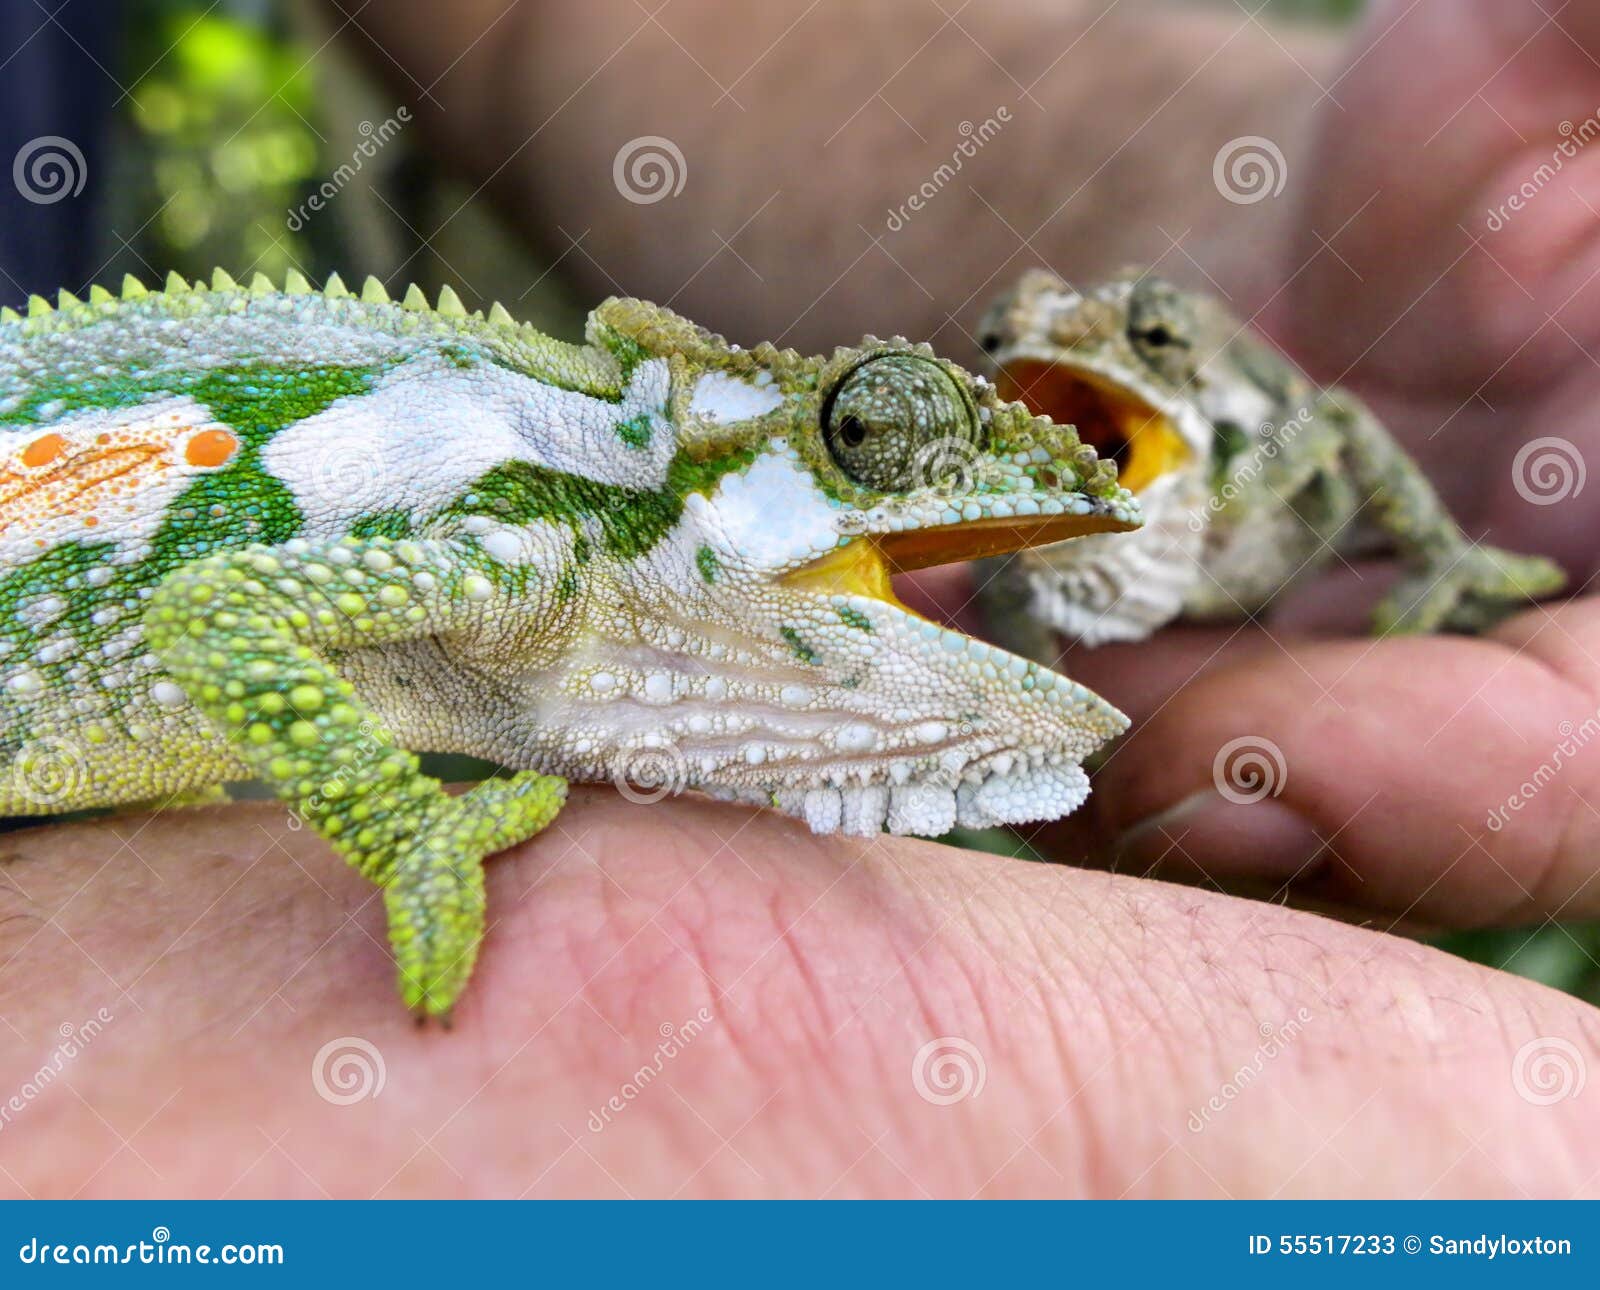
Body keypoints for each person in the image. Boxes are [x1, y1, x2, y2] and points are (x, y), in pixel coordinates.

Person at [4, 0, 1597, 1197]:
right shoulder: (530, 537)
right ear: (692, 470)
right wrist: (399, 832)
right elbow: (221, 618)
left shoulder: (550, 529)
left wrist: (1258, 236)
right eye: (871, 435)